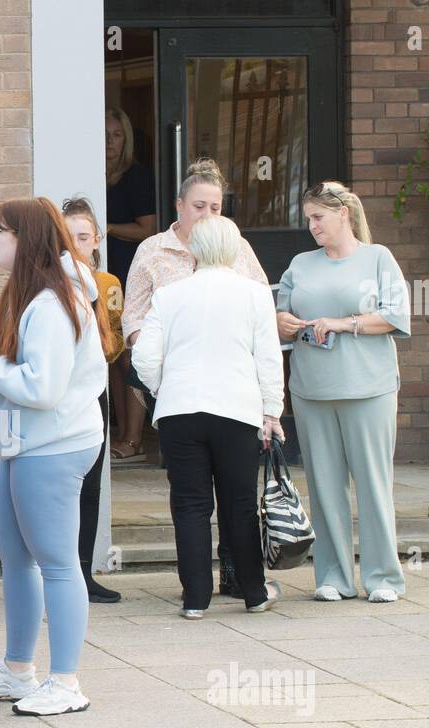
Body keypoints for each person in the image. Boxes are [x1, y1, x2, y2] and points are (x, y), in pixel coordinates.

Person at [0, 198, 111, 717]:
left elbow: (43, 388)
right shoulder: (37, 296)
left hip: (53, 444)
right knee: (16, 556)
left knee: (58, 563)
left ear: (24, 237)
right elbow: (30, 374)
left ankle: (66, 682)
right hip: (26, 443)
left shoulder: (51, 302)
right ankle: (18, 669)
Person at [121, 158, 269, 599]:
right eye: (199, 206)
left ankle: (228, 584)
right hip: (182, 393)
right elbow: (134, 322)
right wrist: (165, 382)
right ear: (179, 205)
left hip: (223, 393)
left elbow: (262, 306)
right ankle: (219, 589)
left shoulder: (236, 247)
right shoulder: (152, 251)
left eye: (216, 207)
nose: (208, 215)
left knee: (228, 498)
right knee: (202, 498)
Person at [275, 181, 410, 603]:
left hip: (369, 387)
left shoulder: (378, 258)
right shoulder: (300, 263)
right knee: (324, 484)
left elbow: (395, 316)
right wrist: (283, 322)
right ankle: (332, 575)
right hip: (312, 389)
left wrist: (341, 323)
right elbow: (280, 312)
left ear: (343, 215)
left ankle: (383, 577)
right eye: (308, 218)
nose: (312, 225)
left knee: (373, 482)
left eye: (318, 217)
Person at [62, 197, 125, 604]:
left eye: (83, 237)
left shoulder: (108, 285)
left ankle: (84, 572)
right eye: (67, 238)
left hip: (93, 390)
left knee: (90, 485)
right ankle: (60, 573)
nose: (76, 246)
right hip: (59, 392)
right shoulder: (48, 284)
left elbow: (115, 342)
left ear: (97, 238)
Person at [105, 106, 157, 288]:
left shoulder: (137, 177)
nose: (109, 140)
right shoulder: (93, 174)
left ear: (126, 140)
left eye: (117, 135)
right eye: (104, 133)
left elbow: (148, 229)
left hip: (126, 266)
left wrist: (108, 228)